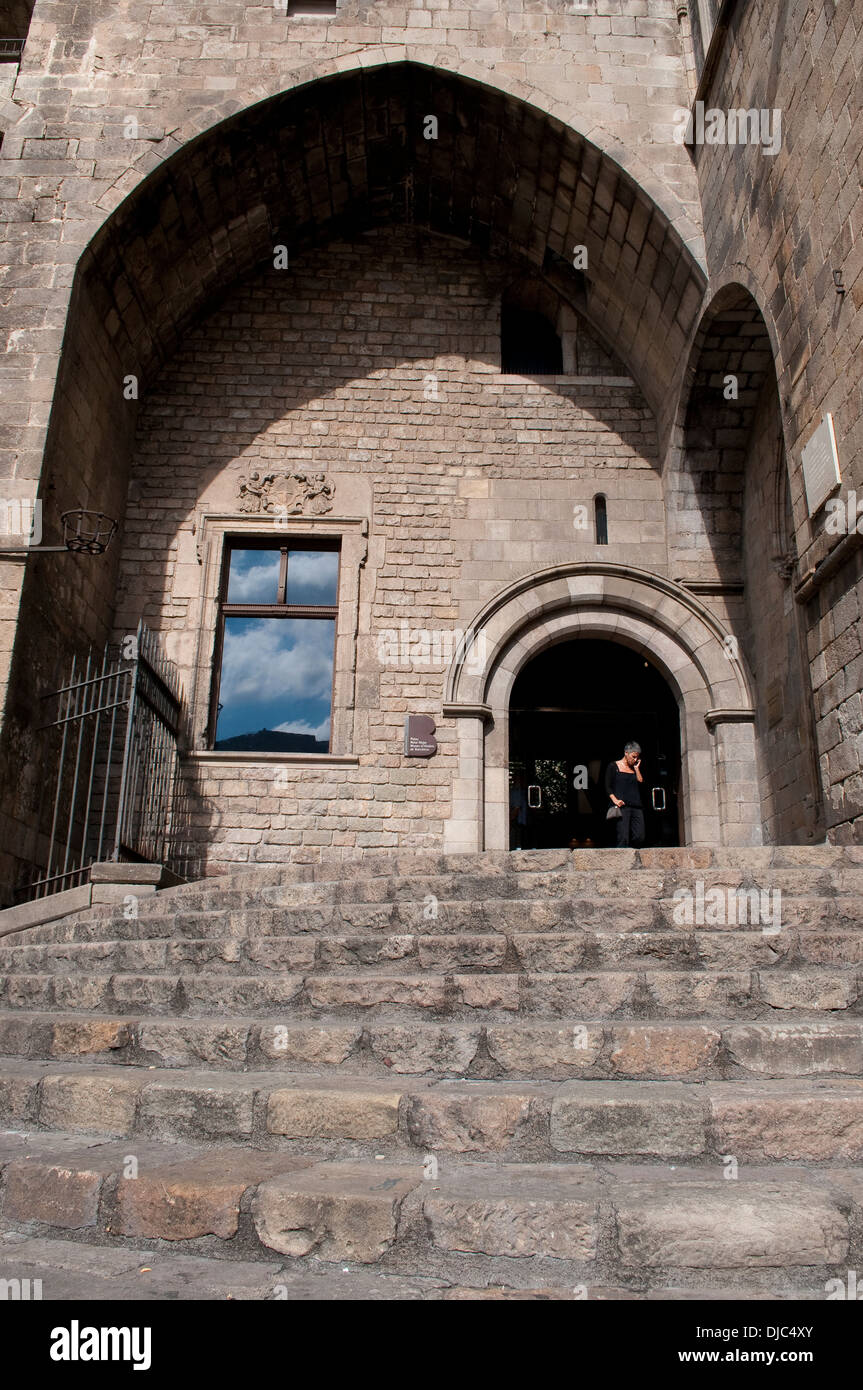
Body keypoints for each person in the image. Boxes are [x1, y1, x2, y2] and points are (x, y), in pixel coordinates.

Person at [605, 741, 645, 847]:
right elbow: (608, 786)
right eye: (633, 756)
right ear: (626, 753)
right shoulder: (613, 766)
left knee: (640, 835)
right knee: (623, 837)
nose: (635, 759)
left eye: (637, 757)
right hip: (622, 806)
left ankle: (634, 856)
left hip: (636, 806)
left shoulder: (634, 768)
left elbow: (641, 782)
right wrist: (615, 800)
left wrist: (637, 769)